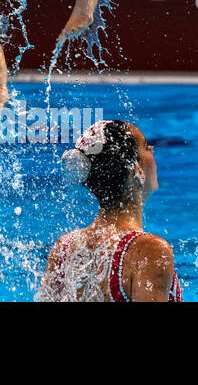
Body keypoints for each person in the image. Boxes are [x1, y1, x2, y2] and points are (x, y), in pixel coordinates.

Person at [36, 120, 183, 302]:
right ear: (135, 171)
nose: (152, 150)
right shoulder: (148, 251)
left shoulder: (63, 248)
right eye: (145, 147)